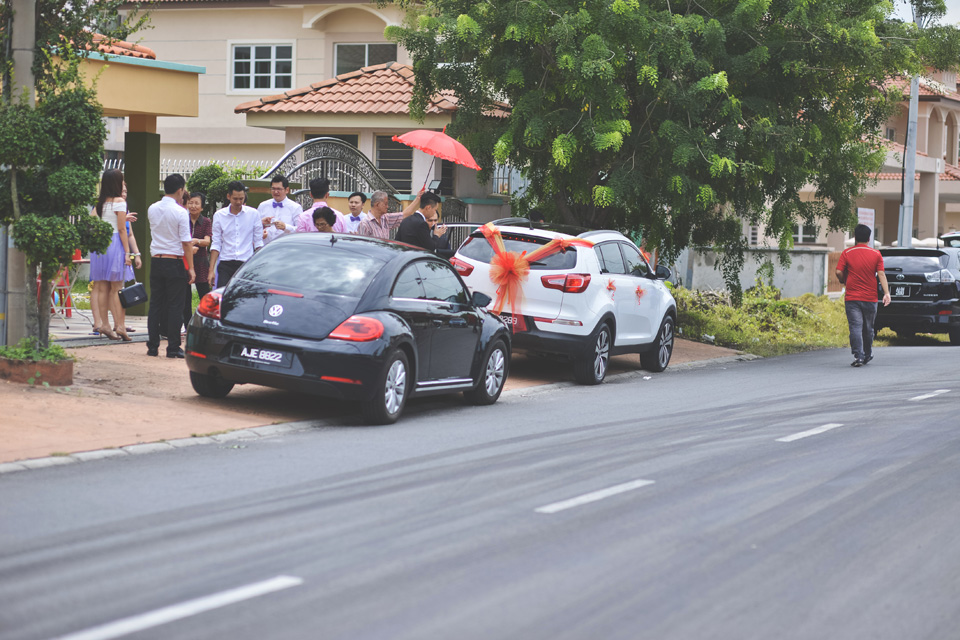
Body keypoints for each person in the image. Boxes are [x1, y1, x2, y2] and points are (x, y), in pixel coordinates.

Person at [146, 173, 195, 358]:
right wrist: (190, 268)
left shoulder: (152, 208)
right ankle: (173, 348)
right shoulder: (181, 212)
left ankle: (152, 346)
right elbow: (186, 243)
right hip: (174, 261)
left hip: (156, 260)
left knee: (156, 304)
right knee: (176, 305)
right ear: (180, 190)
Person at [836, 223, 891, 367]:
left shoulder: (847, 253)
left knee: (855, 327)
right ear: (869, 238)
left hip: (852, 297)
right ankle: (867, 353)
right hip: (870, 297)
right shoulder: (876, 254)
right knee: (868, 328)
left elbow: (838, 271)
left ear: (855, 237)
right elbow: (881, 274)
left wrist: (843, 280)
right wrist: (886, 293)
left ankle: (858, 356)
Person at [88, 168, 133, 341]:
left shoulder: (99, 204)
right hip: (115, 244)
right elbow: (122, 229)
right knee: (116, 287)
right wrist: (127, 253)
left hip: (100, 246)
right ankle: (120, 325)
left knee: (100, 287)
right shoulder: (120, 202)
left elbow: (92, 222)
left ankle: (104, 324)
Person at [208, 181, 263, 288]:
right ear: (228, 196)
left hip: (246, 263)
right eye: (235, 199)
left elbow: (258, 242)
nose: (238, 202)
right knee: (223, 296)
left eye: (241, 199)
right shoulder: (219, 215)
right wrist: (211, 271)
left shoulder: (254, 214)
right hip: (226, 263)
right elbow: (216, 243)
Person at [112, 181, 143, 338]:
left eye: (125, 191)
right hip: (115, 251)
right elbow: (121, 229)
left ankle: (120, 324)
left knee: (120, 288)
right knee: (115, 289)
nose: (124, 193)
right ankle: (117, 324)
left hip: (124, 252)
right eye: (121, 190)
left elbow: (130, 234)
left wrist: (136, 254)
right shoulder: (113, 207)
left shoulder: (125, 207)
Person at [182, 192, 212, 332]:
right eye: (191, 203)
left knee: (204, 295)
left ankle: (206, 325)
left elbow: (207, 241)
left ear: (202, 207)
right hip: (185, 262)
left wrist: (196, 242)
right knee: (185, 298)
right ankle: (187, 326)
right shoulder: (183, 219)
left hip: (200, 263)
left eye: (196, 203)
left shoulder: (206, 221)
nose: (193, 206)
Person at [356, 189, 423, 240]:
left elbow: (404, 215)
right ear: (377, 204)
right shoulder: (365, 223)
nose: (387, 206)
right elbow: (362, 246)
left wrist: (417, 199)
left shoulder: (385, 218)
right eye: (385, 204)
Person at [259, 174, 299, 245]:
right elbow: (253, 228)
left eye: (279, 189)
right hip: (265, 248)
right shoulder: (263, 206)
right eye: (273, 189)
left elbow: (300, 230)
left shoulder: (295, 207)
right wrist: (261, 224)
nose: (276, 192)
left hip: (286, 247)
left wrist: (285, 227)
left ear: (287, 190)